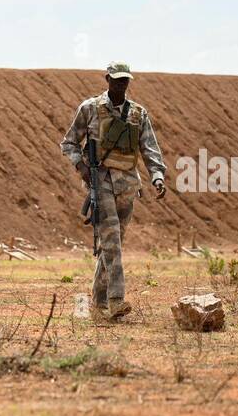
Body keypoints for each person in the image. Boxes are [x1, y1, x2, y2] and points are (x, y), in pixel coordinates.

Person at [60, 62, 166, 320]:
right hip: (102, 182)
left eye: (125, 80)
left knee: (112, 244)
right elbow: (69, 142)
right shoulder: (90, 109)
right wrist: (82, 167)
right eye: (117, 80)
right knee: (112, 242)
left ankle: (98, 305)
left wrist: (158, 176)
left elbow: (149, 148)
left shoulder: (138, 114)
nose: (121, 84)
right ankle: (116, 300)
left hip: (128, 186)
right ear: (107, 79)